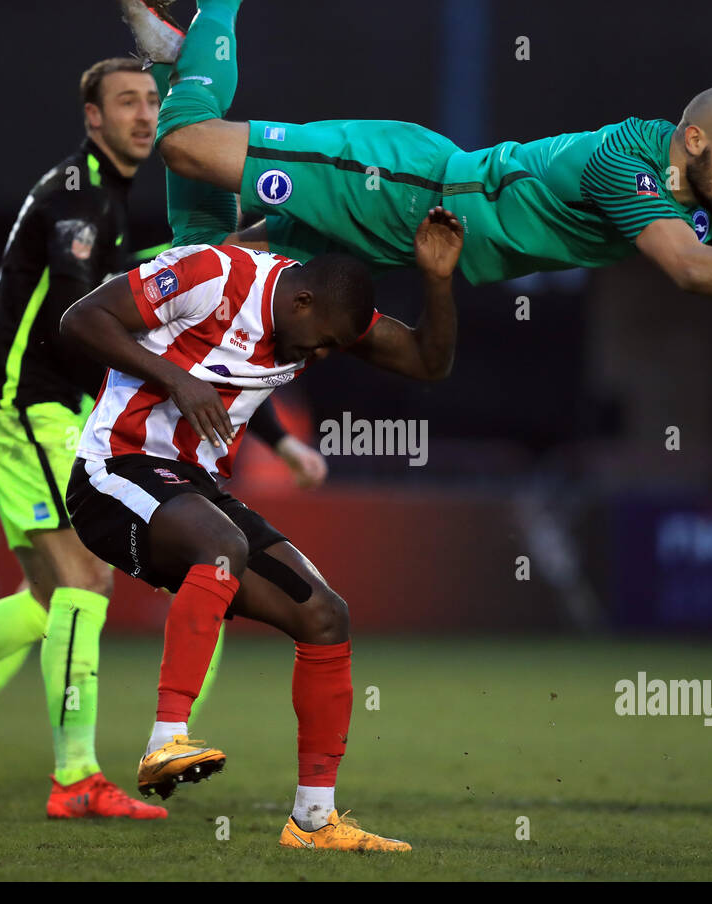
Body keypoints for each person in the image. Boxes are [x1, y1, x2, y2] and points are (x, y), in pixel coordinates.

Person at [0, 56, 323, 818]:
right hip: (23, 403)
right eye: (126, 102)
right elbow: (84, 324)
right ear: (92, 119)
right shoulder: (81, 197)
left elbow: (164, 317)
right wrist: (168, 371)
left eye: (151, 102)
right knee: (82, 584)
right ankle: (72, 779)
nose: (144, 115)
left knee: (49, 597)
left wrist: (241, 254)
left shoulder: (102, 199)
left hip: (33, 408)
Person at [120, 0, 712, 334]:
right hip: (402, 183)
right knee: (189, 145)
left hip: (409, 239)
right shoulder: (626, 161)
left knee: (210, 267)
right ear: (696, 139)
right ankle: (213, 9)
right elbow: (688, 269)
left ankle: (165, 52)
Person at [58, 204, 465, 851]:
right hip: (115, 470)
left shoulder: (319, 314)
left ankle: (313, 822)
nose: (326, 355)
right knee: (222, 542)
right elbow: (81, 318)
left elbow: (427, 362)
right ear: (300, 299)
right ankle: (166, 741)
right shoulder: (211, 275)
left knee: (326, 614)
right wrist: (175, 380)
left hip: (193, 488)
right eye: (325, 339)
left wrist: (438, 281)